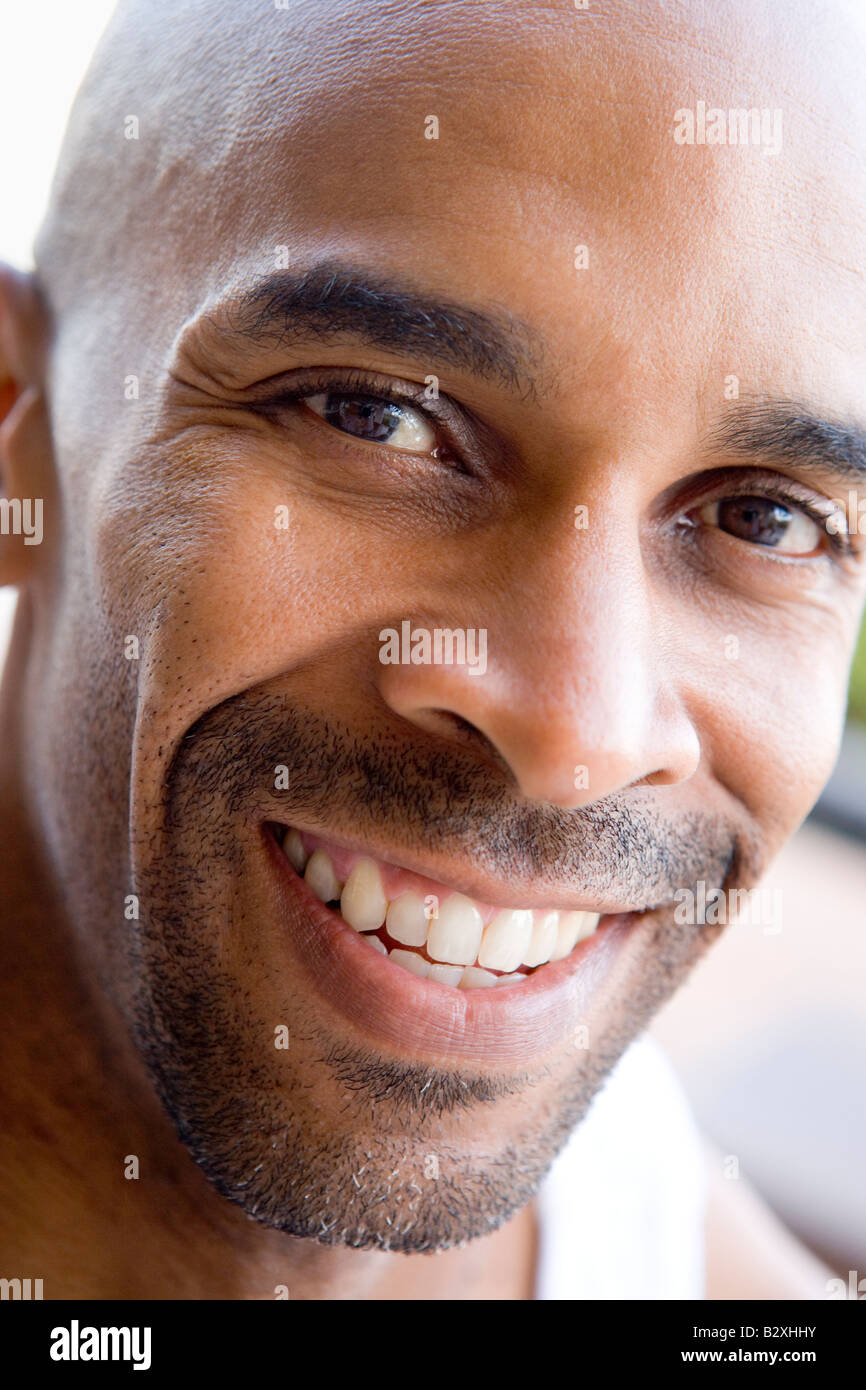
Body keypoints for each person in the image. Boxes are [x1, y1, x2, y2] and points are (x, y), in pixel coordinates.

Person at [0, 0, 862, 1300]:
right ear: (19, 423)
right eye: (376, 418)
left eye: (761, 517)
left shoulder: (644, 1224)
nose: (578, 731)